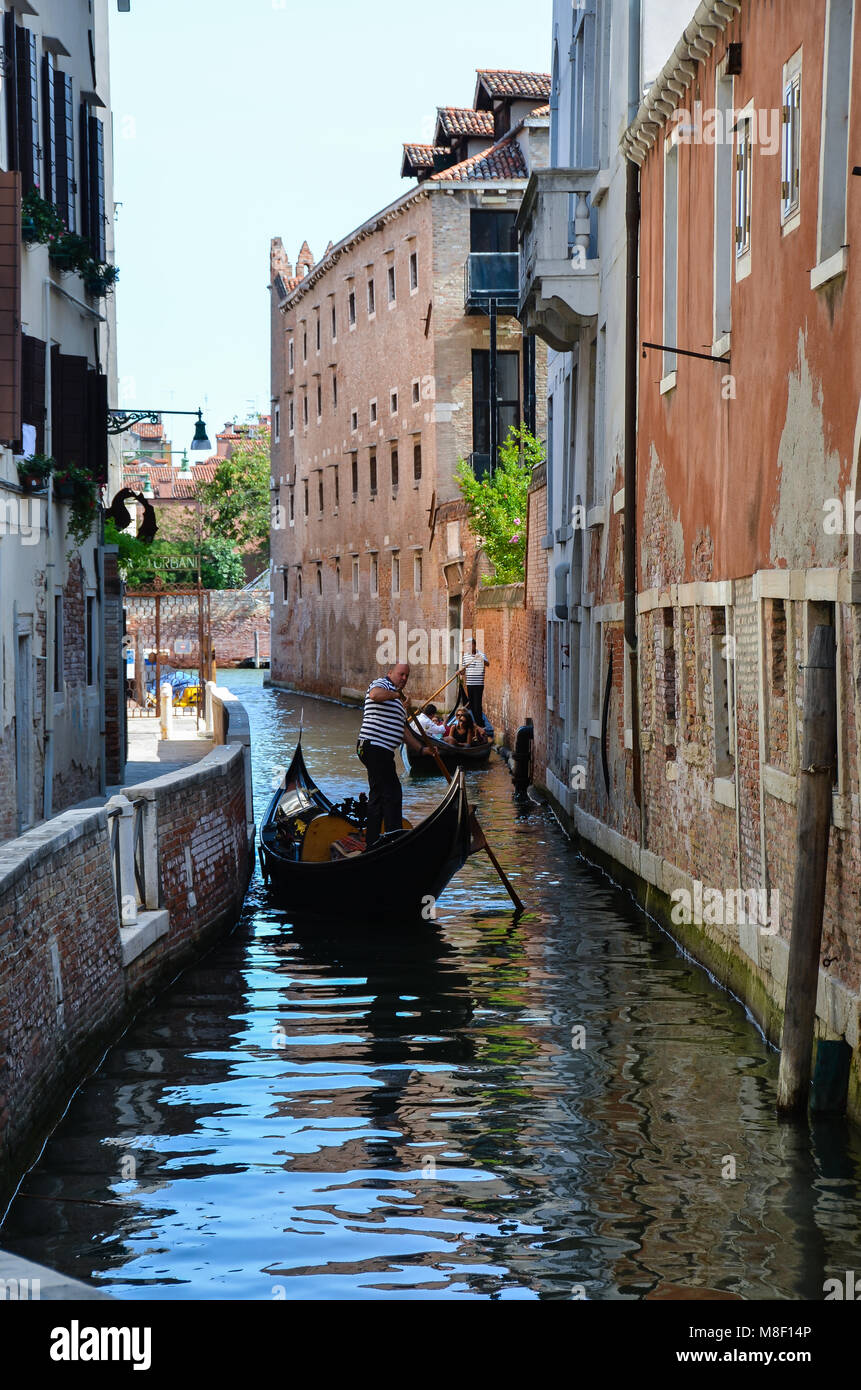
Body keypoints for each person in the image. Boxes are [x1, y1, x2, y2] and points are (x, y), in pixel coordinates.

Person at [357, 663, 423, 849]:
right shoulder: (382, 684)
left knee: (378, 795)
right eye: (401, 674)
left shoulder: (397, 704)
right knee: (392, 793)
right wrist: (396, 695)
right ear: (390, 673)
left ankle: (373, 842)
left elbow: (402, 731)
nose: (404, 678)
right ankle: (394, 842)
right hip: (374, 747)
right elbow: (374, 695)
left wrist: (421, 749)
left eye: (407, 676)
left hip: (379, 751)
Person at [463, 638, 490, 726]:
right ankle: (475, 723)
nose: (469, 648)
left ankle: (480, 724)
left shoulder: (481, 654)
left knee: (477, 705)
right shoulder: (465, 656)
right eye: (468, 646)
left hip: (478, 684)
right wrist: (460, 672)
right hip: (469, 684)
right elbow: (463, 671)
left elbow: (487, 664)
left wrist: (481, 659)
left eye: (471, 645)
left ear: (474, 645)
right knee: (471, 705)